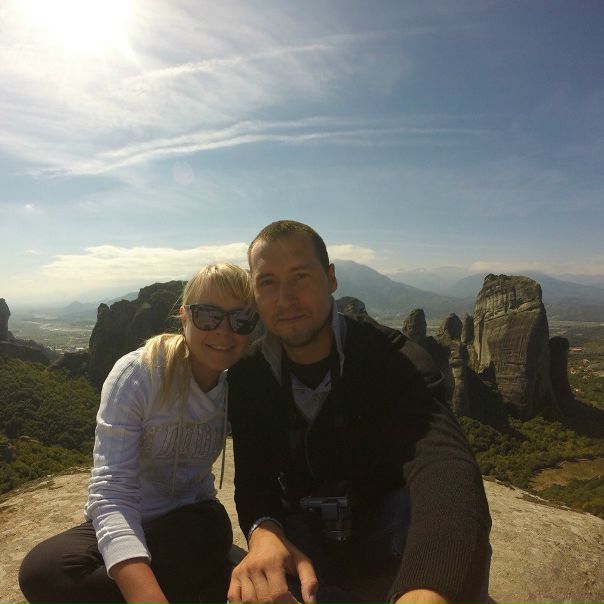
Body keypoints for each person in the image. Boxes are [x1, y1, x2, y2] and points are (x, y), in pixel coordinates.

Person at [227, 221, 492, 604]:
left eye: (301, 276)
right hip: (299, 539)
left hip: (385, 526)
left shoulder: (391, 358)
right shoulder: (249, 375)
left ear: (331, 279)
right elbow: (254, 481)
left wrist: (429, 588)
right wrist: (263, 533)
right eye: (267, 282)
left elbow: (442, 462)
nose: (285, 299)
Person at [19, 263, 258, 604]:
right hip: (133, 517)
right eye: (208, 316)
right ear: (185, 317)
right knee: (43, 572)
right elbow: (111, 491)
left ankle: (195, 574)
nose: (224, 331)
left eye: (241, 319)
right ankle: (201, 579)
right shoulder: (139, 374)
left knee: (196, 540)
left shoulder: (241, 385)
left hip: (195, 520)